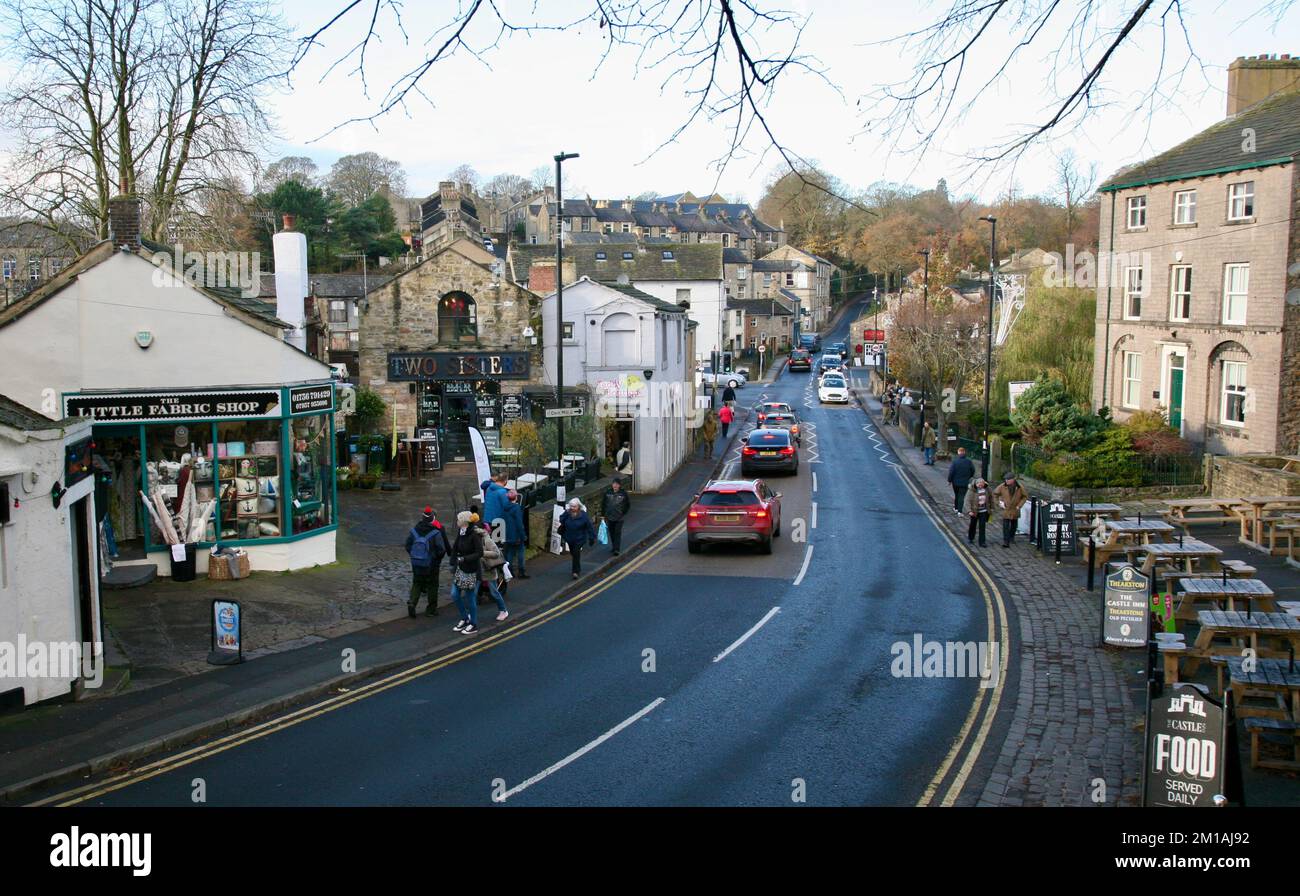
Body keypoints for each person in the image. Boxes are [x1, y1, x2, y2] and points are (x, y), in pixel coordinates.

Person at [404, 506, 449, 617]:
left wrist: (414, 555)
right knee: (432, 585)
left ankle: (412, 603)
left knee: (417, 583)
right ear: (432, 519)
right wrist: (436, 559)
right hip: (431, 565)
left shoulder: (414, 530)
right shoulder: (435, 532)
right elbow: (441, 549)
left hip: (417, 563)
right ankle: (431, 610)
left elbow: (407, 545)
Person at [448, 511, 483, 634]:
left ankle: (473, 624)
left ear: (464, 522)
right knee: (454, 594)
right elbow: (456, 546)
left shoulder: (474, 535)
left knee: (470, 598)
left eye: (458, 520)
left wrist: (464, 558)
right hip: (461, 569)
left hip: (472, 570)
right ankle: (465, 618)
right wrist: (453, 560)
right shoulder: (461, 532)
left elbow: (480, 553)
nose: (456, 521)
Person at [475, 516, 509, 621]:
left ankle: (503, 610)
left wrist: (482, 553)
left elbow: (496, 553)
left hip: (488, 571)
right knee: (473, 593)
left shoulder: (487, 539)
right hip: (478, 571)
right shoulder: (474, 539)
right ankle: (471, 614)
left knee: (494, 593)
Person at [556, 497, 596, 579]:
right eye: (571, 506)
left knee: (576, 553)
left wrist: (592, 538)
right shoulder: (567, 513)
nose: (572, 508)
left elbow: (590, 527)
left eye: (574, 506)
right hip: (569, 538)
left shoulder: (584, 515)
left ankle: (576, 572)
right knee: (573, 553)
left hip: (579, 539)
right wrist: (566, 513)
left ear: (578, 506)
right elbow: (561, 519)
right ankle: (576, 567)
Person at [992, 471, 1029, 548]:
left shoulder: (1019, 487)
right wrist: (999, 503)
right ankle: (1006, 541)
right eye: (1005, 479)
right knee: (1005, 525)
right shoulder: (1002, 486)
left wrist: (1019, 505)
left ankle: (1012, 537)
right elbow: (995, 494)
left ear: (1013, 479)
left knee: (1014, 524)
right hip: (1006, 509)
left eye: (1008, 479)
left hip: (1015, 509)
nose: (1006, 481)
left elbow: (1025, 497)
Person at [600, 477, 632, 556]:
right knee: (611, 532)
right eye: (614, 484)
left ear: (619, 485)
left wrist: (623, 512)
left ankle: (616, 549)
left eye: (617, 484)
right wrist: (603, 515)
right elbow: (603, 504)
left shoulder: (623, 494)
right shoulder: (608, 493)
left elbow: (628, 505)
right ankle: (614, 547)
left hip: (619, 517)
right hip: (609, 516)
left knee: (617, 532)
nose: (615, 485)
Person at [502, 489, 529, 579]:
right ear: (516, 498)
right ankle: (521, 572)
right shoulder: (516, 508)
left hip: (508, 534)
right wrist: (523, 535)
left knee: (510, 553)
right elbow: (519, 523)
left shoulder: (505, 507)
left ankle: (510, 571)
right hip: (516, 535)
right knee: (520, 553)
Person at [964, 478, 992, 547]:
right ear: (976, 484)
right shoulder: (971, 490)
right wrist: (969, 511)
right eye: (978, 484)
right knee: (973, 525)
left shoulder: (987, 489)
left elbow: (991, 498)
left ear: (984, 484)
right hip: (974, 511)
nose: (980, 485)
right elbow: (967, 501)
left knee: (982, 526)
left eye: (981, 484)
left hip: (984, 511)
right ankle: (971, 537)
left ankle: (982, 542)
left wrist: (992, 508)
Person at [947, 447, 976, 516]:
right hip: (965, 482)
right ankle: (960, 511)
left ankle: (956, 508)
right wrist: (969, 476)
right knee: (961, 496)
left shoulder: (955, 461)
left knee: (956, 495)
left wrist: (949, 480)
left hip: (955, 482)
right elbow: (973, 470)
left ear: (958, 453)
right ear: (964, 452)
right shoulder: (969, 461)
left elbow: (951, 472)